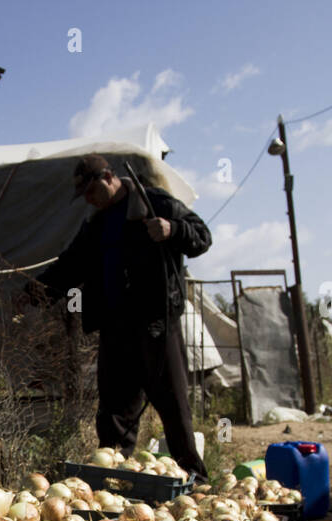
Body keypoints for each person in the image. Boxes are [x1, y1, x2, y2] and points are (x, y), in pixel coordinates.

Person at [13, 153, 212, 481]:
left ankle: (196, 481)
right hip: (115, 328)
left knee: (173, 407)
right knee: (114, 413)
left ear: (107, 177)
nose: (88, 201)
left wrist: (172, 229)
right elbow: (70, 265)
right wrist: (33, 293)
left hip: (156, 326)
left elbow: (202, 237)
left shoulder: (156, 202)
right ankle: (115, 481)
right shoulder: (97, 224)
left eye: (91, 192)